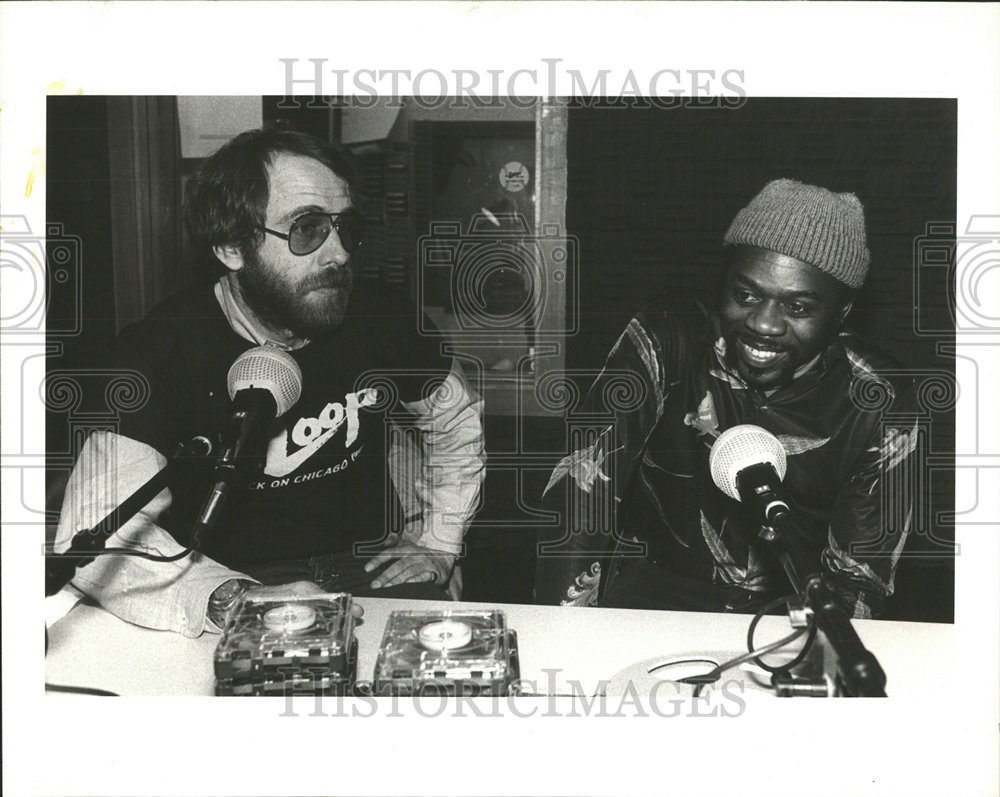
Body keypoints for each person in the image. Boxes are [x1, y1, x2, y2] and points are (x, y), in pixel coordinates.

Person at [53, 129, 485, 637]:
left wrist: (438, 541)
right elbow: (97, 532)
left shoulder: (382, 314)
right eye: (307, 229)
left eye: (346, 227)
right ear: (232, 247)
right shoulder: (154, 354)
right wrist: (236, 598)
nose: (340, 254)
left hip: (370, 563)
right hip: (226, 577)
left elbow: (455, 420)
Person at [533, 179, 918, 619]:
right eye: (746, 295)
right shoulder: (669, 334)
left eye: (797, 308)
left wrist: (825, 648)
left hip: (792, 612)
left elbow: (858, 577)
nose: (764, 324)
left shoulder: (878, 395)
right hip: (651, 595)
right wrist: (563, 631)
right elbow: (582, 493)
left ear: (841, 312)